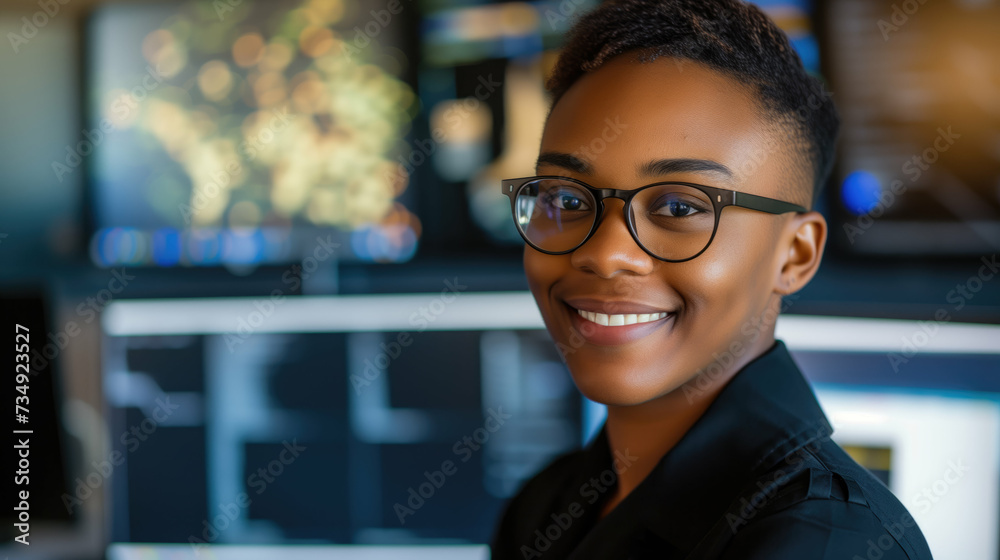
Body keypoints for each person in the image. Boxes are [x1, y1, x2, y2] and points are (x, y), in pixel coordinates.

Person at [490, 0, 934, 558]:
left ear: (794, 255)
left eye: (679, 207)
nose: (606, 255)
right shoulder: (546, 505)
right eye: (566, 197)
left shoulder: (823, 542)